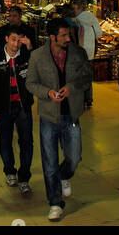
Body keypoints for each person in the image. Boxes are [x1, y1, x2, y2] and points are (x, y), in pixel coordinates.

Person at [26, 19, 93, 221]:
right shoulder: (37, 56)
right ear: (52, 37)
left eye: (68, 35)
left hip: (71, 114)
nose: (68, 39)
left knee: (74, 157)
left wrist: (71, 88)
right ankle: (55, 202)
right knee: (49, 162)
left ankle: (65, 175)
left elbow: (87, 77)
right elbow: (30, 83)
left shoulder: (78, 53)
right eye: (63, 35)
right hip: (49, 115)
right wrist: (47, 92)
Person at [0, 24, 35, 194]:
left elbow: (39, 70)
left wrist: (29, 47)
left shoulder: (27, 57)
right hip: (3, 108)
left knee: (26, 142)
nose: (16, 44)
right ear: (6, 39)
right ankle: (9, 170)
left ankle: (24, 176)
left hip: (23, 107)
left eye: (19, 40)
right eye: (13, 40)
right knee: (5, 141)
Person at [71, 0, 102, 108]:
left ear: (79, 8)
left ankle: (82, 99)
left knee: (79, 75)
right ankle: (88, 99)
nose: (73, 11)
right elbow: (99, 33)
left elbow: (71, 22)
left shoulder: (78, 19)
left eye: (74, 8)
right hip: (90, 51)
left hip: (81, 50)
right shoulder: (91, 17)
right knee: (87, 75)